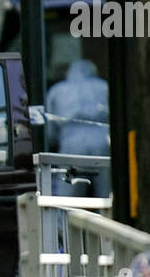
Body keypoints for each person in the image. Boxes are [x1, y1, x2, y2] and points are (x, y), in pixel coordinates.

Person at [45, 58, 110, 197]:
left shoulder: (57, 90)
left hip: (72, 143)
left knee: (69, 197)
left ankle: (67, 218)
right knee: (106, 195)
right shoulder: (104, 86)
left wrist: (54, 143)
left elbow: (50, 130)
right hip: (102, 141)